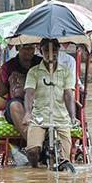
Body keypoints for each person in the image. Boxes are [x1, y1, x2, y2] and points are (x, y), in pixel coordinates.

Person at [23, 38, 76, 169]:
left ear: (58, 51)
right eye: (46, 50)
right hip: (39, 117)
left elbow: (68, 94)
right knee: (33, 151)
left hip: (60, 117)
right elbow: (29, 93)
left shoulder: (65, 72)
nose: (50, 54)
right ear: (40, 51)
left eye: (54, 50)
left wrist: (73, 117)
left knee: (66, 158)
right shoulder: (34, 72)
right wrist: (28, 113)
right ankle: (35, 171)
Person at [0, 43, 40, 138]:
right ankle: (31, 141)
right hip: (17, 103)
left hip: (39, 102)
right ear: (17, 48)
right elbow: (1, 92)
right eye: (25, 47)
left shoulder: (41, 63)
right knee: (14, 105)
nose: (29, 51)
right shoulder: (8, 66)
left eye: (31, 47)